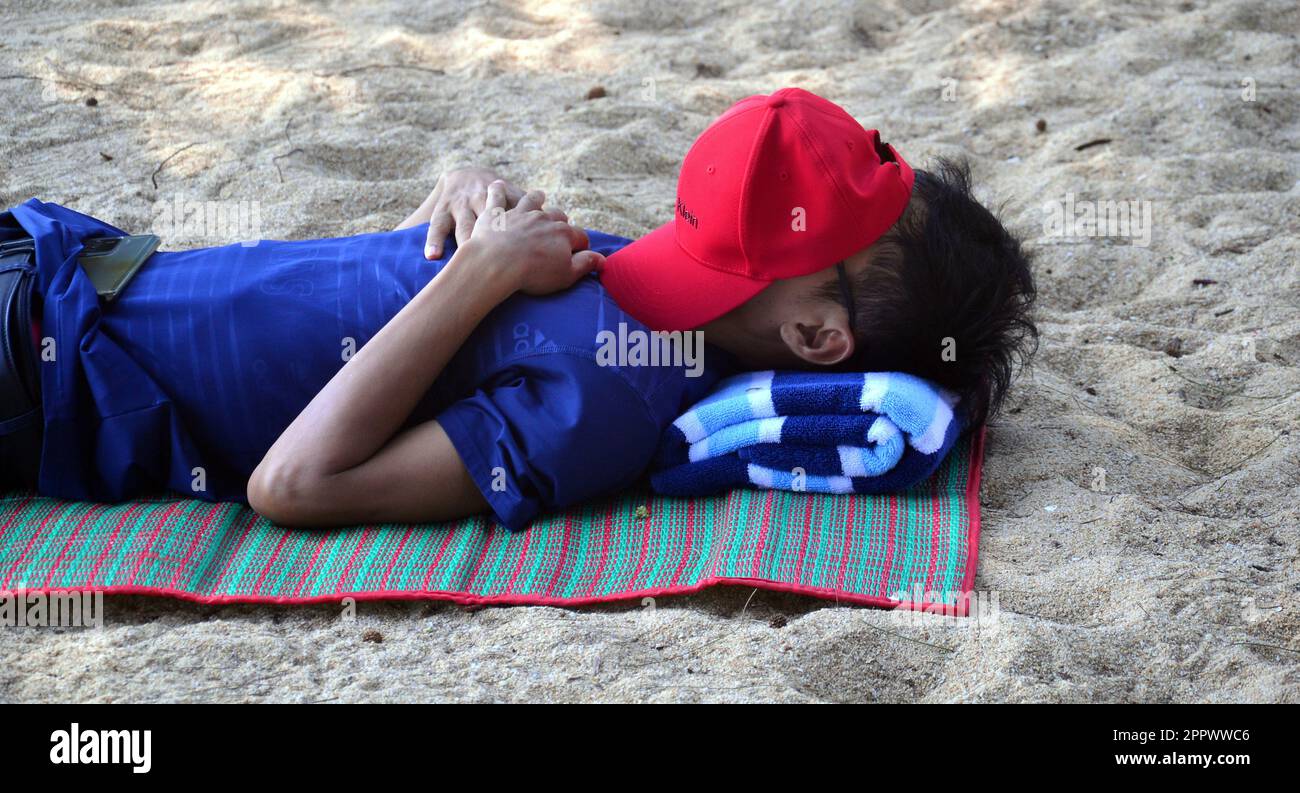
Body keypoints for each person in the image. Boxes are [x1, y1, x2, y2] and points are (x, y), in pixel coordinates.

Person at [0, 88, 1035, 530]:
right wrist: (453, 208)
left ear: (816, 334)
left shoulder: (613, 402)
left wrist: (477, 277)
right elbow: (368, 303)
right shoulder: (678, 302)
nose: (682, 254)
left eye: (739, 247)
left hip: (51, 374)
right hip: (72, 263)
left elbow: (295, 482)